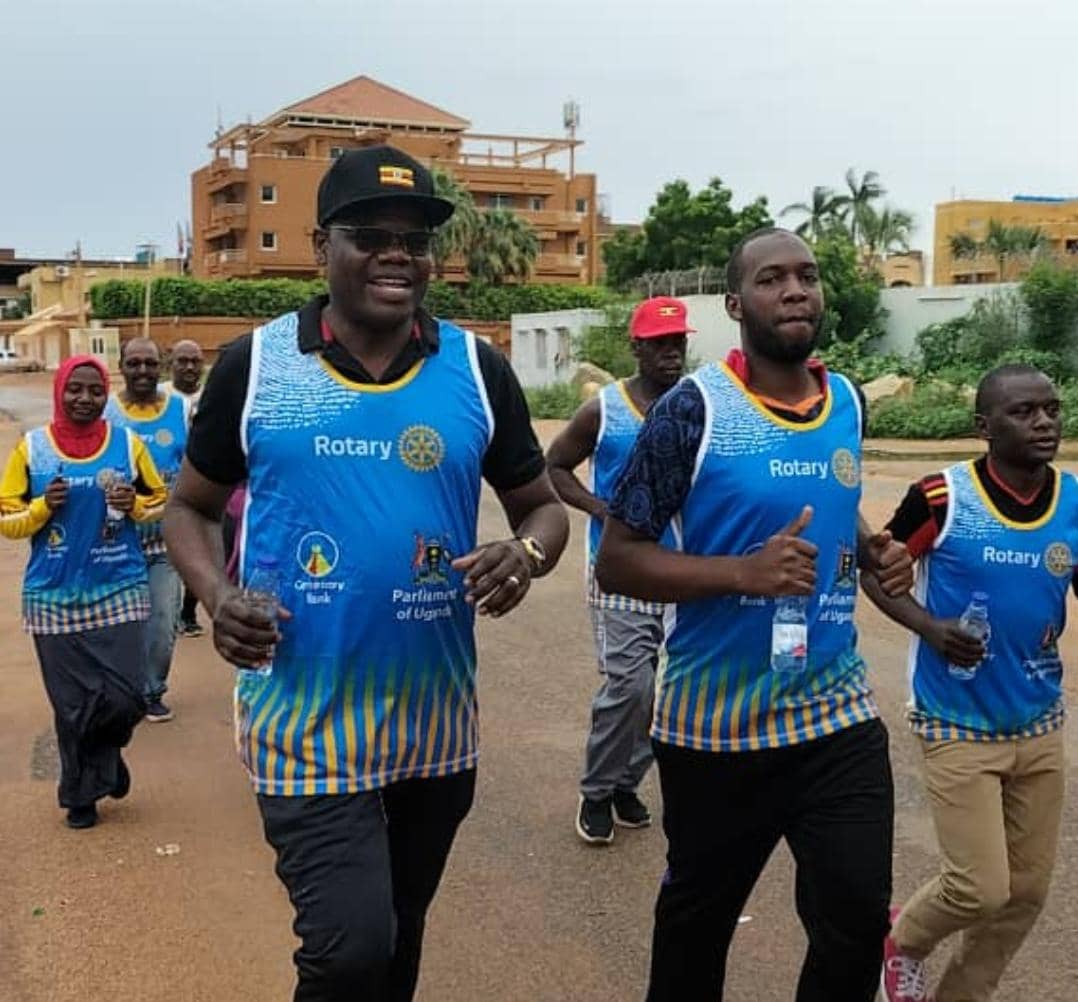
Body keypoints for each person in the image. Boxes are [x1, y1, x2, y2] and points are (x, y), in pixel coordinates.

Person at [164, 145, 568, 1002]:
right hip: (303, 721)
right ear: (321, 246)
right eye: (370, 235)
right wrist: (216, 593)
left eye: (416, 239)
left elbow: (544, 508)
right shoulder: (260, 367)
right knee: (348, 950)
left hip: (436, 726)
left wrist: (524, 554)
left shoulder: (475, 371)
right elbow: (188, 508)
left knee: (399, 932)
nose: (398, 253)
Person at [596, 227, 913, 1002]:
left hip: (835, 713)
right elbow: (618, 558)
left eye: (807, 275)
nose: (796, 290)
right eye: (773, 279)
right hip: (716, 727)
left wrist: (869, 548)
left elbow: (827, 508)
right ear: (736, 304)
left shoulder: (844, 402)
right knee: (697, 928)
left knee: (854, 915)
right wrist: (743, 572)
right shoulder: (690, 411)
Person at [863, 364, 1076, 1002]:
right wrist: (929, 625)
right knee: (980, 885)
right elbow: (876, 569)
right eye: (1024, 412)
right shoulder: (940, 497)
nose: (1043, 422)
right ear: (984, 427)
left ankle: (962, 994)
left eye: (1051, 409)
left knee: (1028, 891)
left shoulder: (1072, 501)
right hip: (956, 721)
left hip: (1039, 723)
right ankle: (902, 943)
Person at [547, 296, 691, 845]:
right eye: (659, 344)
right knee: (630, 686)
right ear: (636, 347)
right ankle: (597, 789)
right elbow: (555, 466)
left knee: (673, 694)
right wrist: (597, 508)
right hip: (620, 571)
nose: (671, 353)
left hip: (684, 571)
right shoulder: (603, 409)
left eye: (677, 342)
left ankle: (627, 780)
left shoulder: (698, 404)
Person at [0, 355, 167, 828]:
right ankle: (81, 794)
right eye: (75, 389)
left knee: (128, 695)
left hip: (120, 585)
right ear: (60, 391)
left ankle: (106, 759)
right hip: (52, 596)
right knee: (72, 707)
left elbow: (159, 502)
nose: (85, 399)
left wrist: (134, 504)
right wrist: (38, 509)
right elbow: (5, 516)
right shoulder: (32, 449)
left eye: (95, 391)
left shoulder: (127, 443)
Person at [105, 337, 190, 722]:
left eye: (150, 364)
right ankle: (119, 693)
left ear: (163, 367)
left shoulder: (181, 410)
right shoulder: (106, 413)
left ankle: (152, 690)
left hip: (166, 542)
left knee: (160, 625)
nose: (143, 371)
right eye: (134, 363)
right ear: (121, 366)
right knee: (118, 627)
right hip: (115, 543)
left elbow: (195, 468)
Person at [161, 339, 208, 638]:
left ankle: (188, 612)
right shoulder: (161, 397)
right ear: (171, 363)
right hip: (160, 490)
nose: (190, 367)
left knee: (197, 553)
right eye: (183, 360)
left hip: (201, 489)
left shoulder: (214, 396)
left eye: (195, 360)